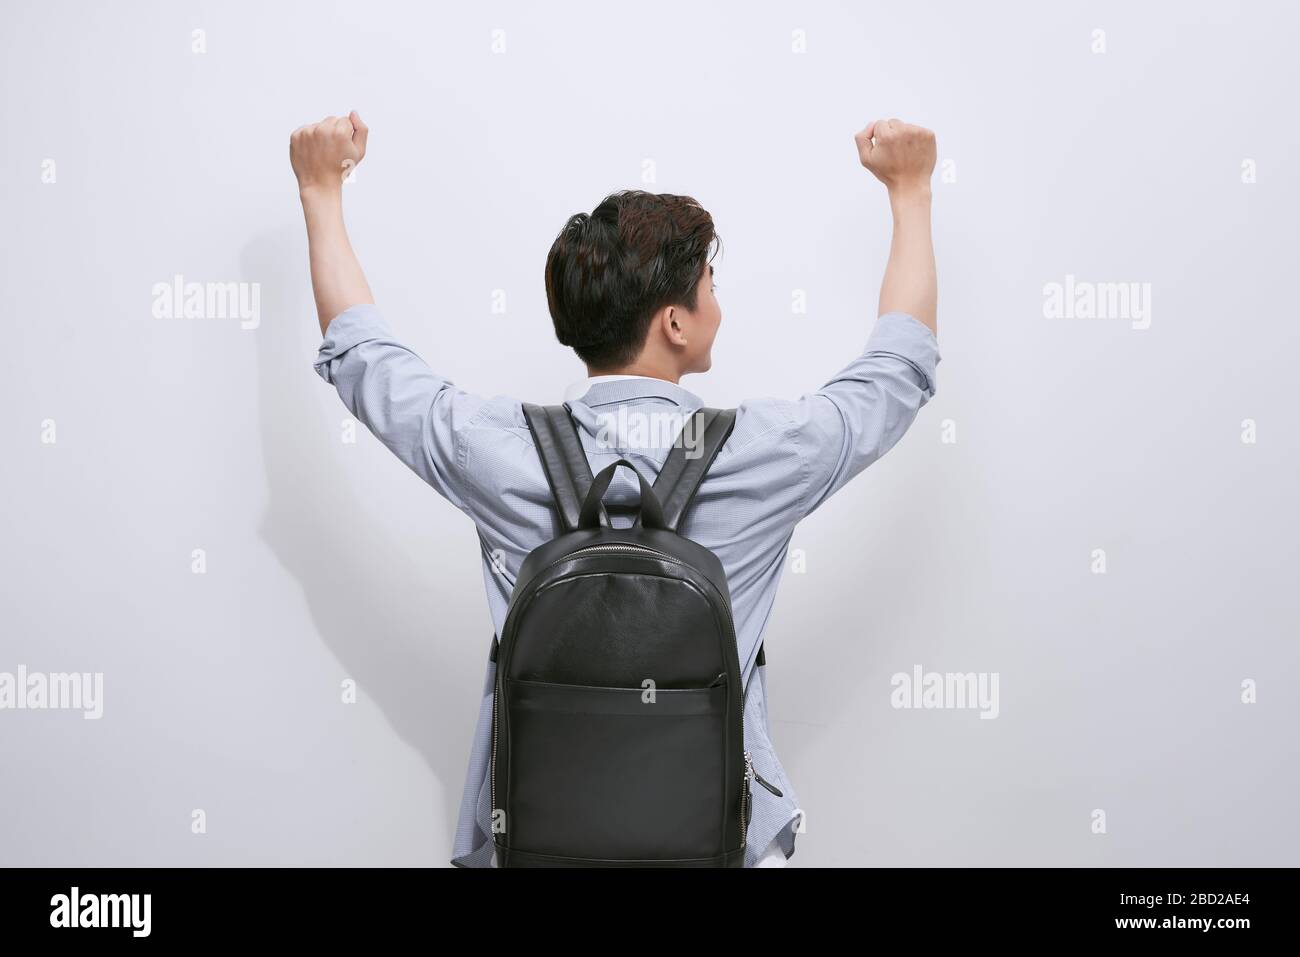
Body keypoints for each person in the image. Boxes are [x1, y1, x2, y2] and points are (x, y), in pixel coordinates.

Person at [290, 110, 940, 867]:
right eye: (710, 286)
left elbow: (364, 359)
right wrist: (911, 190)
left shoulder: (496, 447)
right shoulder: (765, 452)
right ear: (673, 322)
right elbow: (900, 370)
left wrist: (321, 189)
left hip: (539, 843)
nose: (717, 305)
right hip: (714, 845)